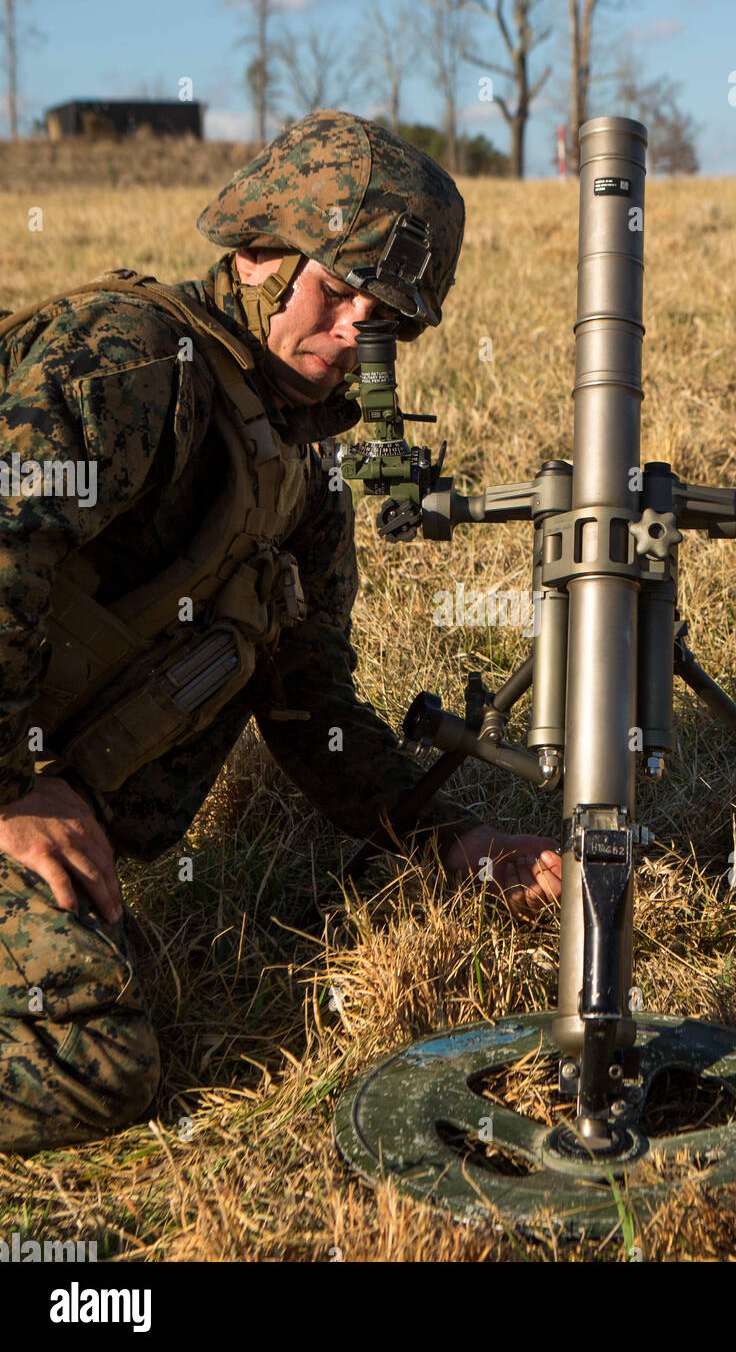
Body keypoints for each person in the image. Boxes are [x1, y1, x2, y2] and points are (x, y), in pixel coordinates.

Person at [0, 110, 562, 1154]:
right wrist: (11, 785)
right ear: (258, 255)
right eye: (337, 288)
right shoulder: (128, 366)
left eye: (384, 313)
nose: (354, 328)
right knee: (82, 1065)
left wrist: (450, 838)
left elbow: (314, 710)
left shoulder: (299, 479)